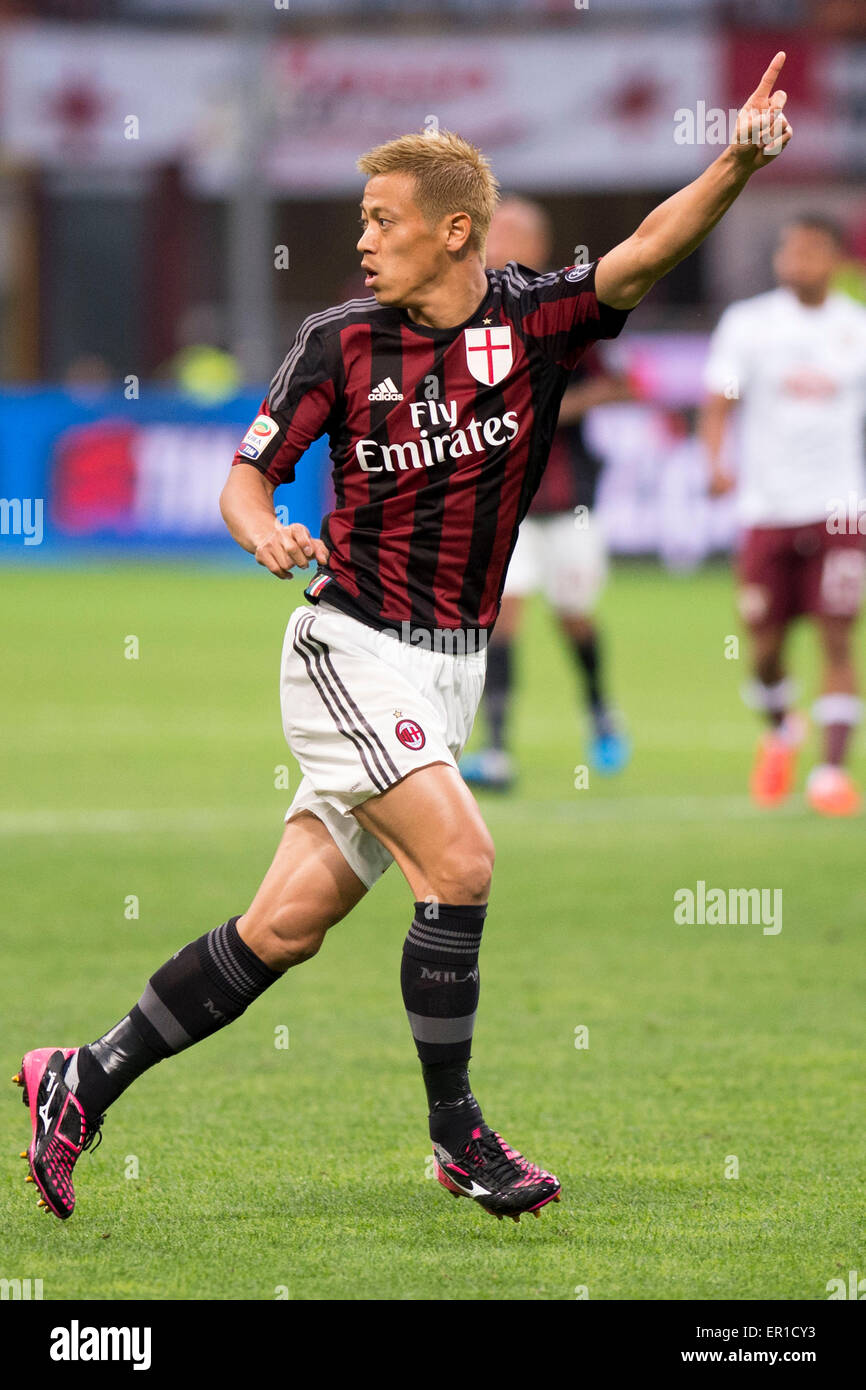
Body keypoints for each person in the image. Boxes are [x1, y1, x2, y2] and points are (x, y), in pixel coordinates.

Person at [15, 56, 792, 1223]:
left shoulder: (531, 324)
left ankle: (83, 1076)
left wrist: (733, 159)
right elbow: (246, 473)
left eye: (384, 221)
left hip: (446, 668)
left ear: (454, 230)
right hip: (347, 649)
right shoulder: (338, 342)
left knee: (281, 927)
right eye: (362, 220)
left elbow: (646, 250)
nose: (364, 241)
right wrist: (261, 531)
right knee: (464, 863)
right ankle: (456, 1135)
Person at [459, 195, 632, 792]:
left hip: (571, 501)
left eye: (508, 232)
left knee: (574, 616)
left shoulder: (567, 309)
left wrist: (548, 410)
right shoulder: (471, 309)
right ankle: (498, 750)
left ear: (536, 245)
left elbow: (621, 386)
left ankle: (600, 710)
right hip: (508, 501)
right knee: (503, 616)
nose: (496, 241)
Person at [700, 215, 866, 815]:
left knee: (837, 637)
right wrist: (716, 460)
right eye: (791, 252)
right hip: (766, 509)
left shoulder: (857, 328)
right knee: (765, 646)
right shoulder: (750, 324)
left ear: (837, 261)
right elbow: (719, 400)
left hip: (841, 510)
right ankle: (780, 730)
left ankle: (829, 774)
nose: (799, 263)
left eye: (813, 253)